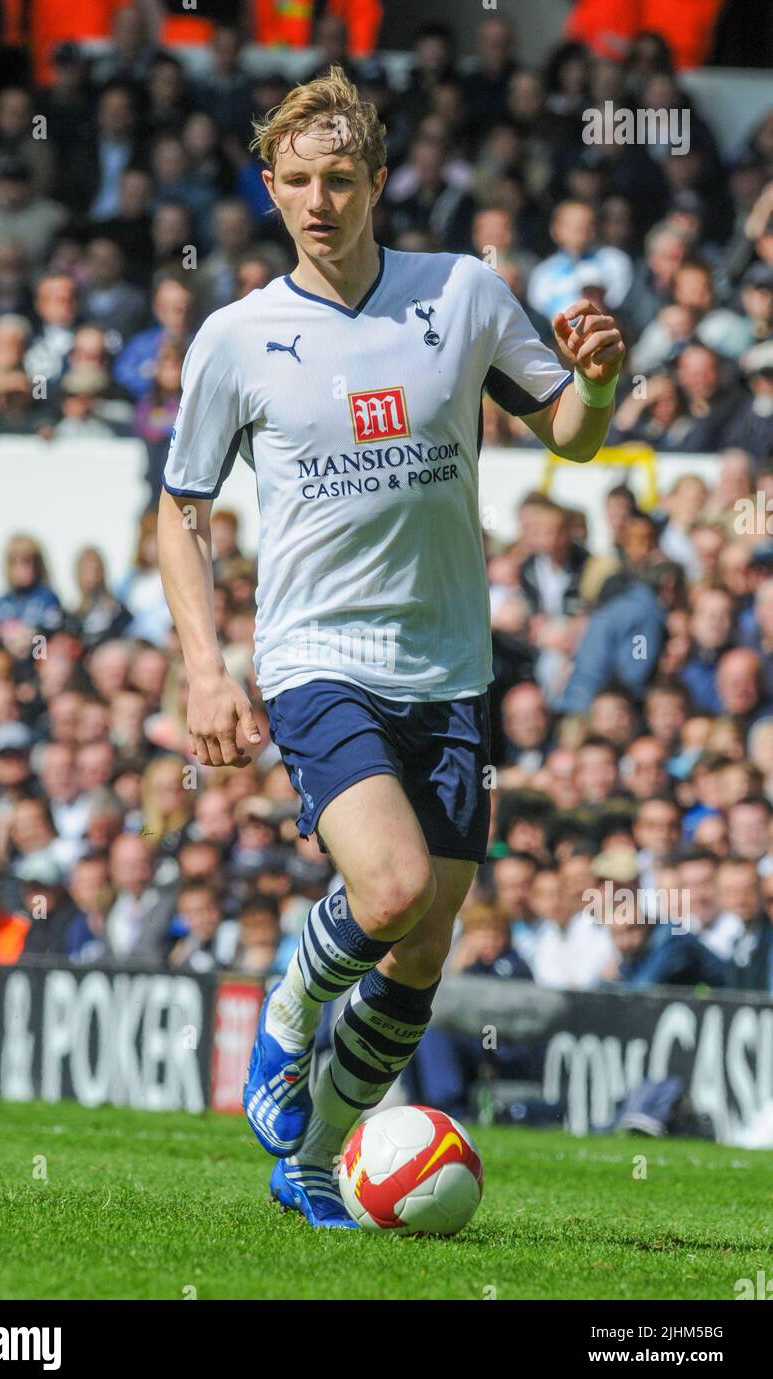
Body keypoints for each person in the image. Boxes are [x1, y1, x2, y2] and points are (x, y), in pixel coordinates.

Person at [155, 65, 627, 1227]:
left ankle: (312, 1159)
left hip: (451, 671)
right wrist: (205, 665)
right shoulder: (235, 337)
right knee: (392, 887)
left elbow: (566, 433)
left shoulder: (461, 293)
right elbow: (180, 508)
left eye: (341, 178)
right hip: (317, 656)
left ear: (377, 180)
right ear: (270, 189)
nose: (320, 201)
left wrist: (603, 385)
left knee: (421, 949)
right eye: (297, 181)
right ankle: (286, 1006)